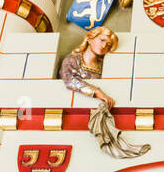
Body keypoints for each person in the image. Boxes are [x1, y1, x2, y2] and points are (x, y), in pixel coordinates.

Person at [59, 27, 151, 160]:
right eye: (101, 40)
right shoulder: (73, 60)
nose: (103, 46)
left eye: (108, 45)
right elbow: (69, 80)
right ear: (90, 39)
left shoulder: (104, 66)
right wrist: (97, 91)